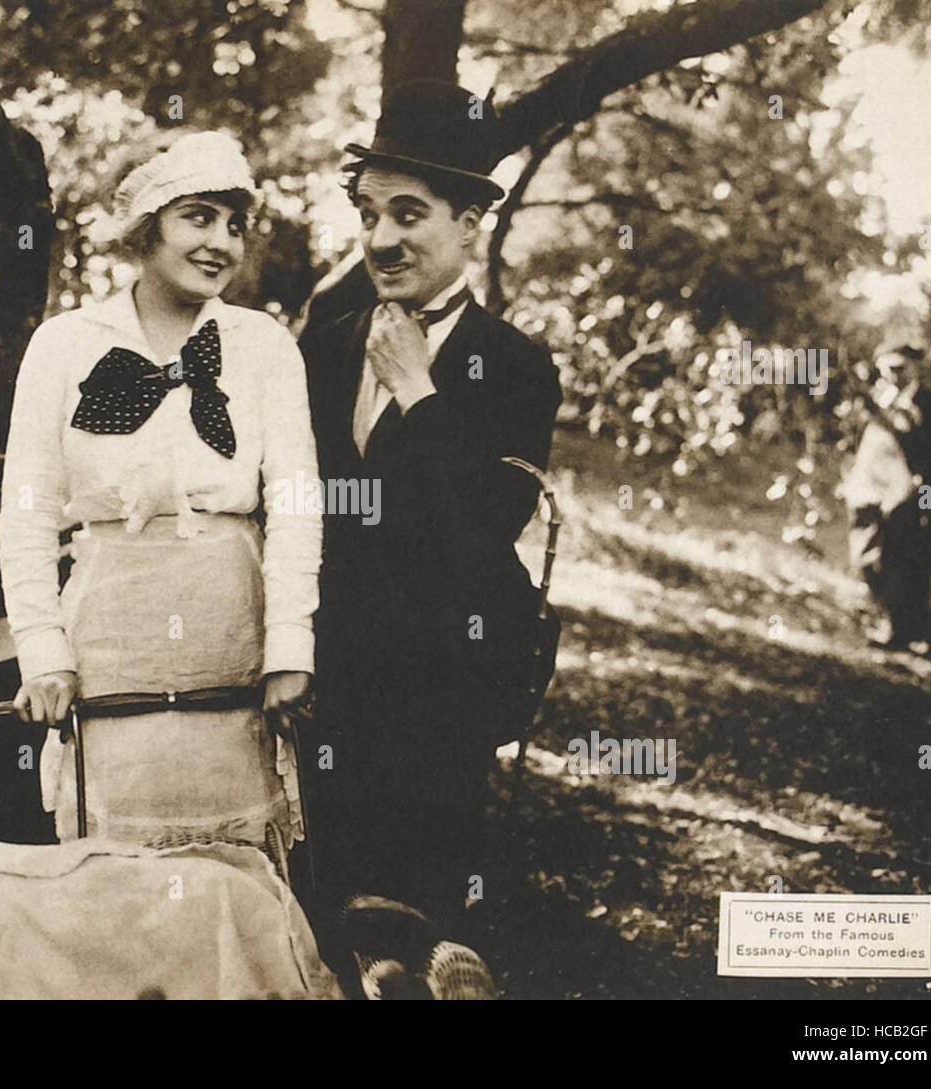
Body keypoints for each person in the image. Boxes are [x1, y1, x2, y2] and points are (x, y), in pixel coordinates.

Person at [0, 130, 321, 860]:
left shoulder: (264, 346)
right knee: (112, 863)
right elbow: (25, 511)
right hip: (110, 647)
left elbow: (298, 503)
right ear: (146, 227)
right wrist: (42, 650)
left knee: (233, 862)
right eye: (199, 217)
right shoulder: (63, 344)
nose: (223, 242)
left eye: (236, 224)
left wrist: (289, 644)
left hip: (232, 643)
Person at [297, 81, 563, 942]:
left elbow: (484, 524)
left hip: (442, 690)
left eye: (408, 214)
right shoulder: (325, 348)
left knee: (421, 924)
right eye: (369, 214)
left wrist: (418, 389)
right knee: (321, 907)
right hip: (329, 682)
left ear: (469, 222)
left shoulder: (516, 367)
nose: (382, 238)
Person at [845, 345, 931, 658]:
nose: (894, 375)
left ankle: (914, 634)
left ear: (915, 367)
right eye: (888, 368)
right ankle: (911, 626)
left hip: (918, 495)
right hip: (873, 494)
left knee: (912, 561)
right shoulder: (878, 400)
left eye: (900, 368)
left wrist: (927, 505)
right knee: (871, 558)